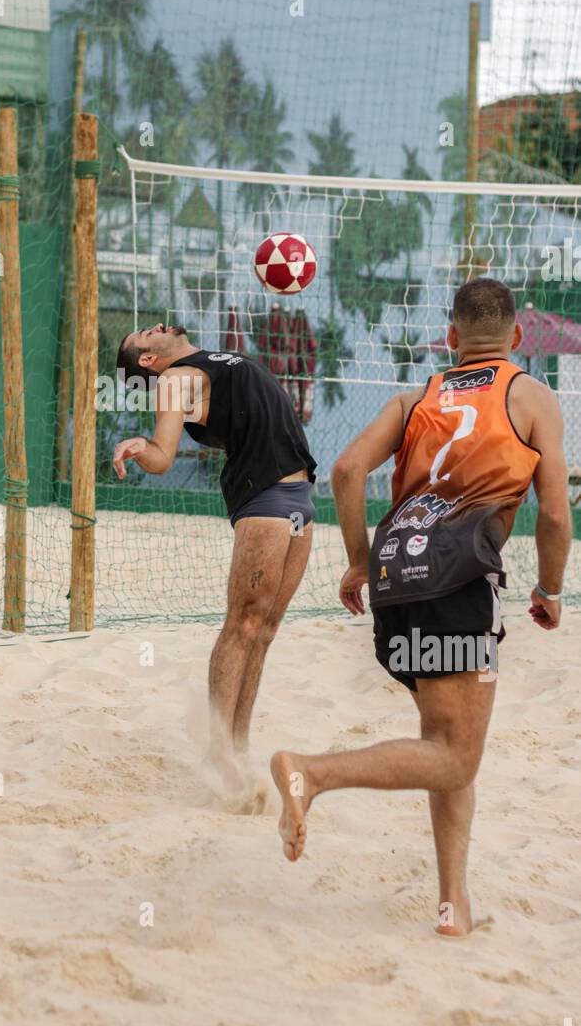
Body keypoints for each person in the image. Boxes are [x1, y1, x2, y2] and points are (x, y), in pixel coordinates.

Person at [270, 278, 572, 935]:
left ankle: (452, 903)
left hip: (394, 573)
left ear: (452, 339)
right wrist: (550, 590)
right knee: (457, 754)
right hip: (457, 577)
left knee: (448, 740)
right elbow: (554, 511)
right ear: (517, 338)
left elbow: (348, 471)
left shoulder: (418, 397)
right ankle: (311, 774)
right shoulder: (531, 396)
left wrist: (357, 560)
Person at [113, 323, 317, 803]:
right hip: (262, 494)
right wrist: (141, 447)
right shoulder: (174, 379)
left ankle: (238, 746)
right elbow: (164, 455)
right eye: (145, 333)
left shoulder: (215, 359)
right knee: (244, 623)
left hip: (299, 493)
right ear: (146, 359)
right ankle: (218, 751)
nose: (157, 325)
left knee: (265, 630)